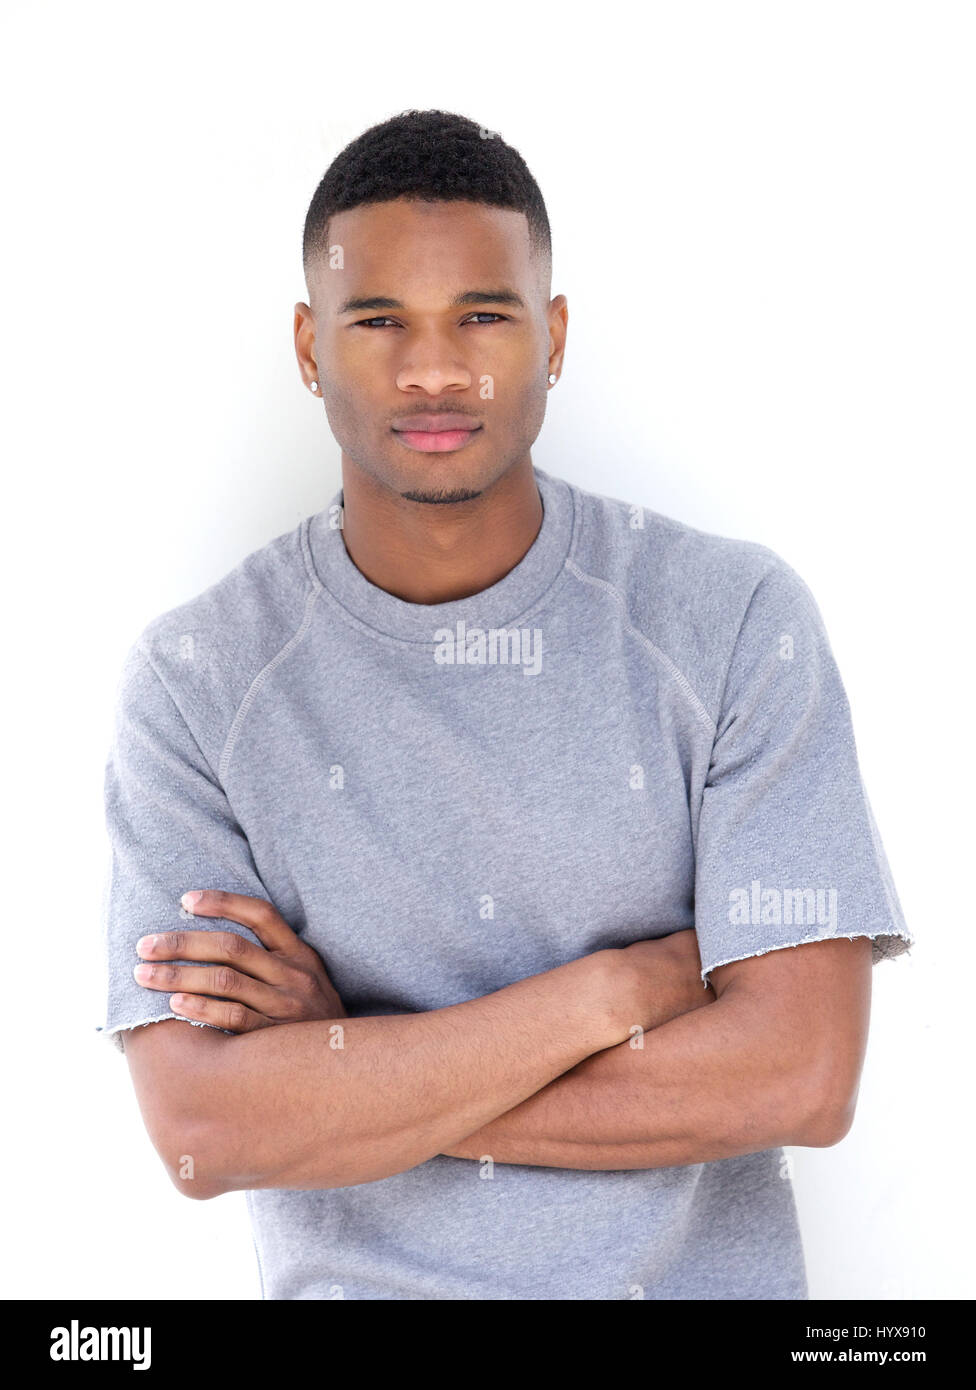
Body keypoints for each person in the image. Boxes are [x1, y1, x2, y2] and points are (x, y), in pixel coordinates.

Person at [98, 109, 913, 1301]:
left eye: (483, 314)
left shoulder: (730, 619)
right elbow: (201, 1131)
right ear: (309, 346)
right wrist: (606, 993)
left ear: (555, 336)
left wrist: (350, 1074)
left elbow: (797, 1078)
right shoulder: (196, 680)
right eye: (378, 321)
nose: (434, 370)